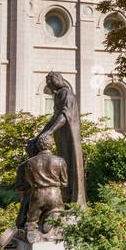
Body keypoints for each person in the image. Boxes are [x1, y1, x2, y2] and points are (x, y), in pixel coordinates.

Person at [37, 72, 85, 206]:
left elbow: (65, 114)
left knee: (70, 162)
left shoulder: (66, 94)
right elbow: (54, 118)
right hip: (61, 134)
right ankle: (65, 197)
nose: (50, 87)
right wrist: (42, 134)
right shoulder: (58, 95)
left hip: (69, 134)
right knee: (63, 163)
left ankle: (73, 199)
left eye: (50, 84)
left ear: (56, 81)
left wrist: (50, 131)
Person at [14, 133, 69, 237]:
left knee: (32, 219)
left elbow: (29, 182)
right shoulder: (60, 161)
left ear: (38, 146)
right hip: (54, 194)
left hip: (37, 194)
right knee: (58, 209)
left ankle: (31, 230)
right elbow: (65, 183)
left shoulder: (30, 162)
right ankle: (53, 214)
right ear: (51, 144)